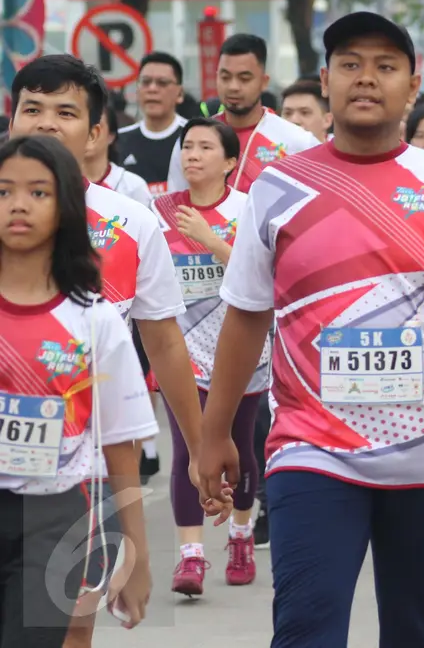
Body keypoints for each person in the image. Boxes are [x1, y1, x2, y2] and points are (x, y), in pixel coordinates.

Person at [195, 11, 424, 648]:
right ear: (324, 80)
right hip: (312, 450)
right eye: (350, 64)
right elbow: (244, 314)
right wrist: (215, 435)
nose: (365, 79)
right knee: (305, 630)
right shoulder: (279, 187)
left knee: (417, 632)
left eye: (385, 66)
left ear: (411, 82)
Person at [8, 54, 211, 648]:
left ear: (96, 132)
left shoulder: (130, 224)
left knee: (68, 631)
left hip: (80, 479)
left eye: (65, 112)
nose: (45, 123)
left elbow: (165, 341)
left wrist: (199, 447)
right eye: (32, 109)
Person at [0, 135, 157, 648]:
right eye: (3, 191)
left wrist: (135, 556)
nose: (19, 204)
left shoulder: (95, 321)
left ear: (65, 207)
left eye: (38, 193)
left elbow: (120, 442)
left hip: (56, 518)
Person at [151, 118, 270, 596]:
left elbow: (261, 277)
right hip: (179, 351)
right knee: (188, 450)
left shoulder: (248, 209)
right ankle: (191, 555)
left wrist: (210, 238)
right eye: (187, 146)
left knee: (238, 445)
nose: (192, 154)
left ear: (229, 162)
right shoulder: (157, 211)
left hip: (239, 351)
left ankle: (240, 534)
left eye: (205, 147)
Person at [167, 34, 319, 194]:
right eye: (225, 77)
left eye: (244, 78)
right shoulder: (193, 140)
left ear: (264, 82)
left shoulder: (297, 142)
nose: (233, 87)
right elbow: (176, 201)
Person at [115, 51, 187, 197]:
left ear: (180, 93)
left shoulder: (193, 137)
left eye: (162, 83)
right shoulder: (117, 141)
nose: (152, 89)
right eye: (146, 82)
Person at [84, 105, 152, 209]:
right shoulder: (60, 182)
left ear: (111, 136)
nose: (90, 134)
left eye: (96, 127)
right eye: (84, 126)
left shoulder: (133, 186)